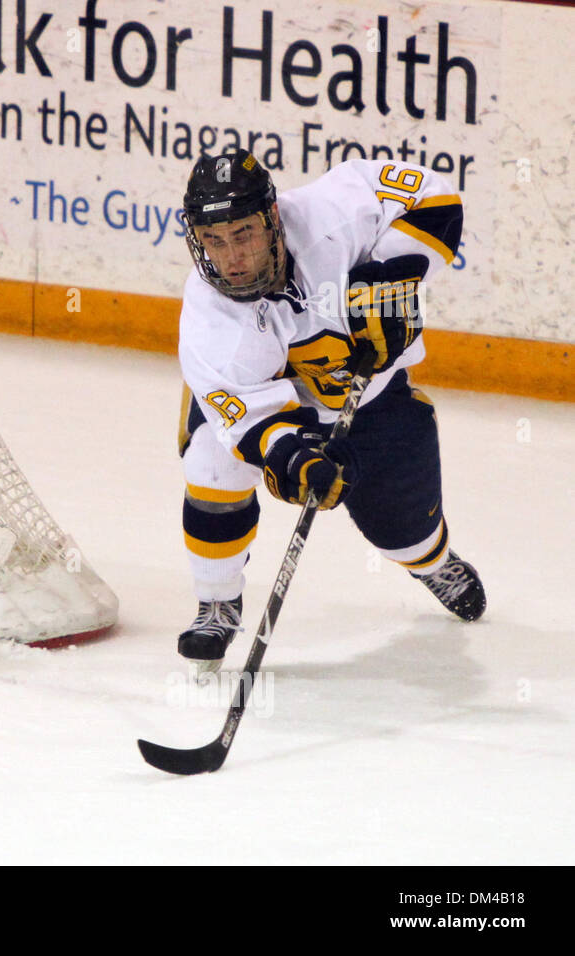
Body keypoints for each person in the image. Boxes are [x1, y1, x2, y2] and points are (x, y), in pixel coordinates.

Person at [174, 149, 485, 670]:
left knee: (405, 534)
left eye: (244, 234)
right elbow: (249, 418)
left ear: (272, 217)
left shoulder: (335, 212)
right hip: (275, 409)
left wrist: (393, 275)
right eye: (214, 241)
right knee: (211, 459)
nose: (231, 258)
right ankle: (217, 603)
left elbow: (436, 197)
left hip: (372, 397)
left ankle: (433, 562)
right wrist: (293, 458)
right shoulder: (210, 315)